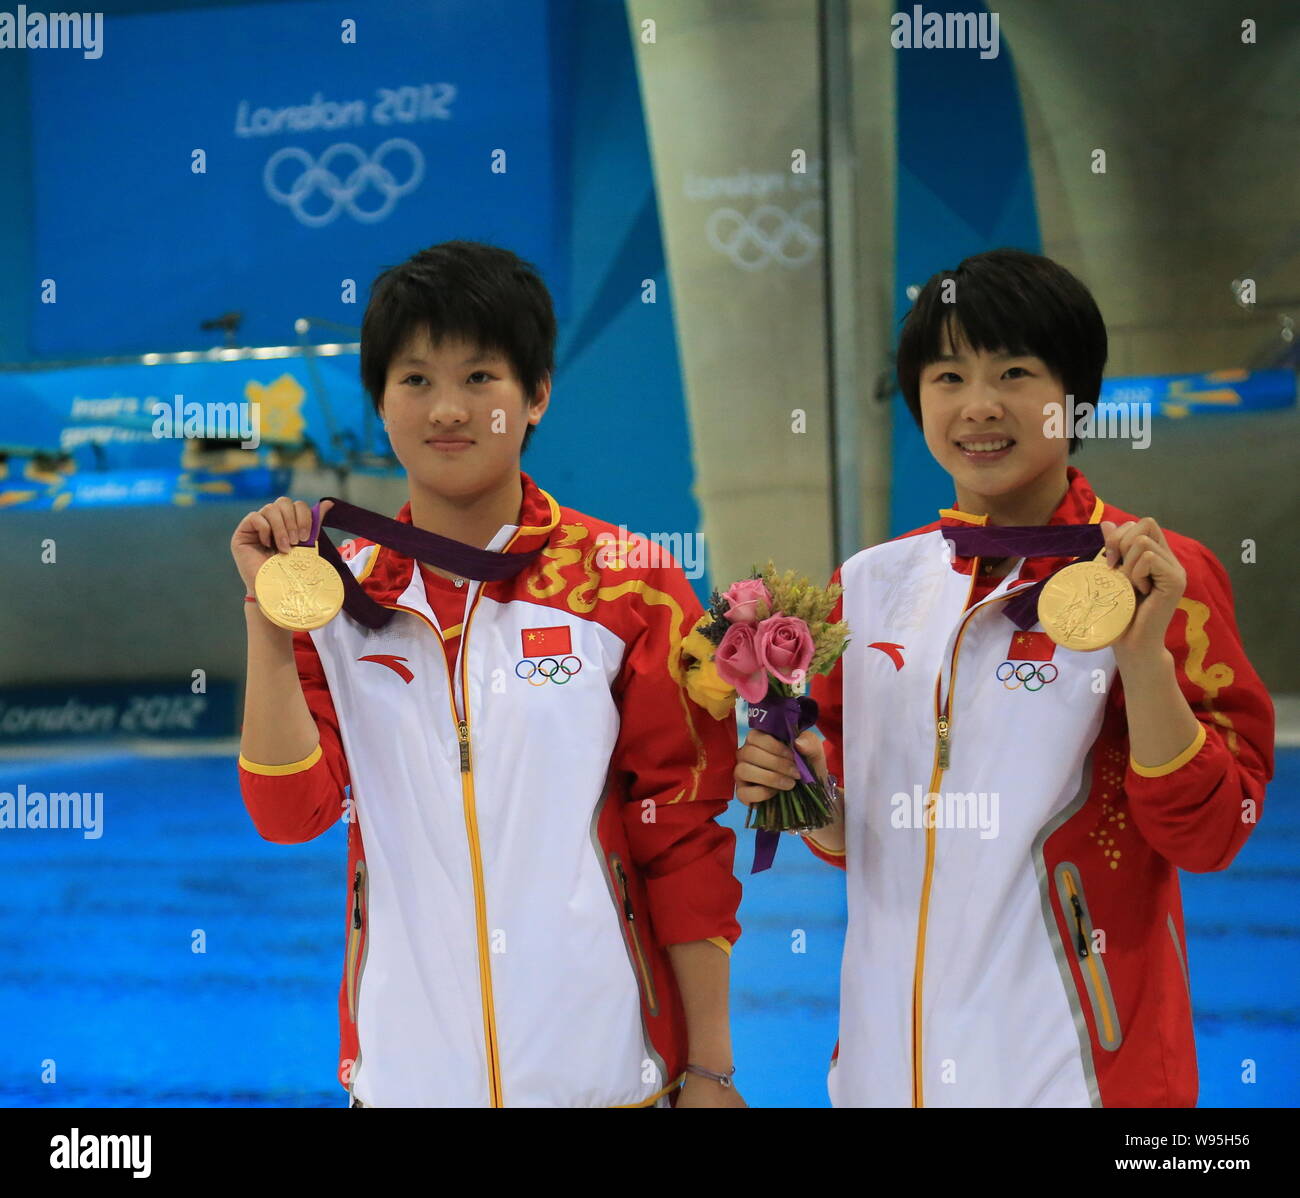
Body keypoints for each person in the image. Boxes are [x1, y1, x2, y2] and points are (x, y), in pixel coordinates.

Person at [735, 248, 1274, 1107]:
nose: (979, 406)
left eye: (1015, 372)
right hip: (885, 1073)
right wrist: (799, 788)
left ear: (1076, 397)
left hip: (1081, 1075)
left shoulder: (1160, 575)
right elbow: (851, 836)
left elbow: (1210, 835)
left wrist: (1139, 654)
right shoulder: (871, 586)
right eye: (948, 376)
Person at [232, 241, 744, 1108]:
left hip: (605, 1079)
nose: (447, 411)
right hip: (404, 1082)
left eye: (480, 379)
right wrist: (271, 621)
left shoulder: (629, 588)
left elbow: (681, 836)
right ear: (380, 404)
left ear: (536, 394)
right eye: (416, 381)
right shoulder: (342, 597)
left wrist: (711, 1069)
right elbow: (289, 815)